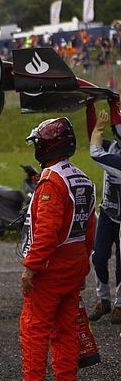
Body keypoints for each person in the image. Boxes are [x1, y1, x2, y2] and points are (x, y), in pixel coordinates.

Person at [0, 117, 96, 381]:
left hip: (52, 266)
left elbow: (47, 231)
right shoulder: (82, 178)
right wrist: (83, 266)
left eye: (38, 142)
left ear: (47, 145)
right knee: (66, 329)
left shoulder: (51, 181)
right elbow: (89, 226)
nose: (36, 147)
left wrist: (31, 268)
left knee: (34, 328)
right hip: (75, 261)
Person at [86, 101, 121, 323]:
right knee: (98, 257)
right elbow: (93, 135)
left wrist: (112, 107)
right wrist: (89, 107)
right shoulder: (114, 147)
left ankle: (120, 304)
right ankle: (104, 300)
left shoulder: (113, 156)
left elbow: (95, 151)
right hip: (108, 212)